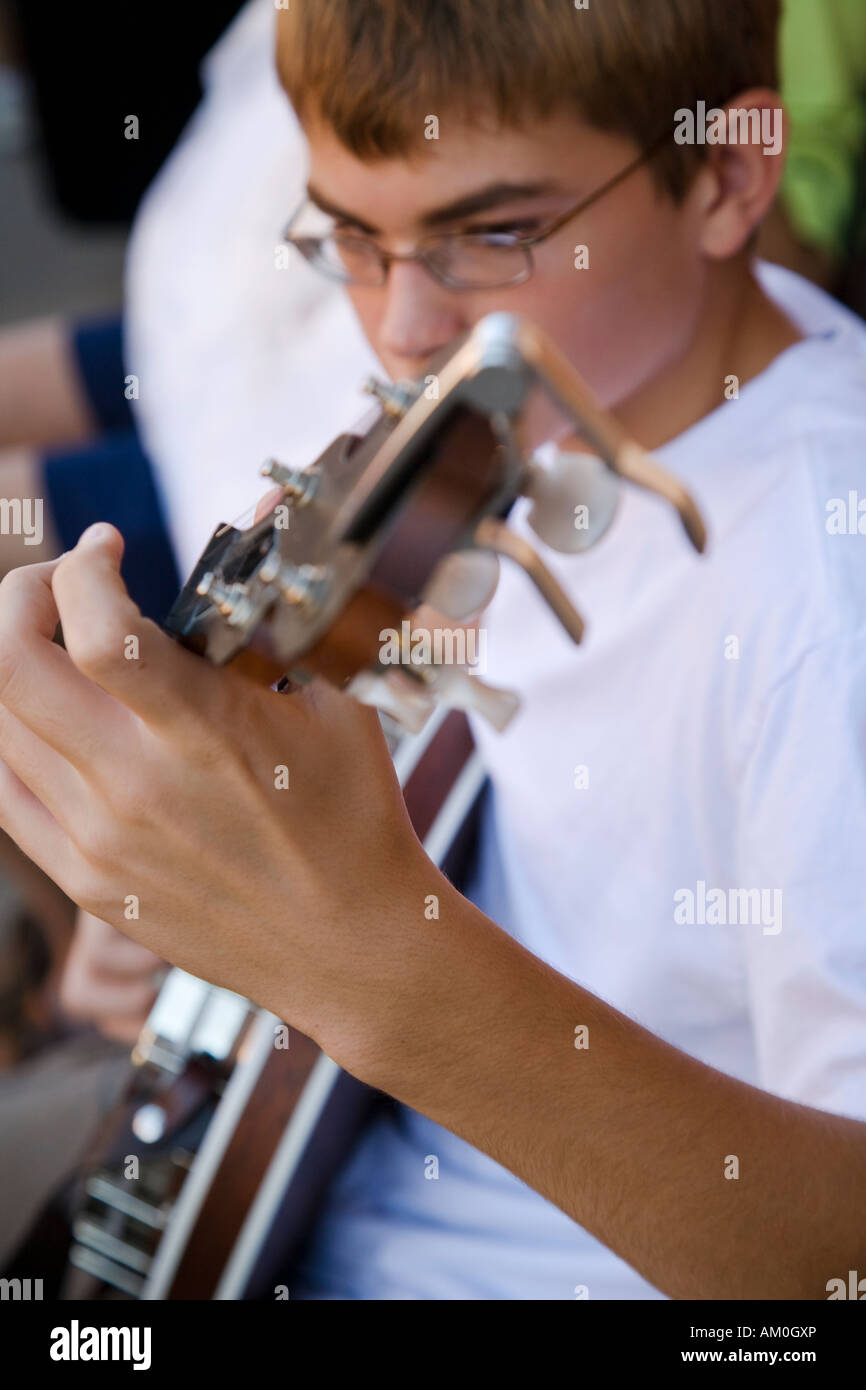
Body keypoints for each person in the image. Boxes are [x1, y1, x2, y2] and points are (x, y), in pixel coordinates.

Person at [1, 0, 866, 1301]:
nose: (400, 326)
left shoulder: (822, 580)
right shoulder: (532, 415)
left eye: (492, 234)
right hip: (293, 1182)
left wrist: (348, 955)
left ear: (730, 173)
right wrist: (185, 925)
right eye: (351, 238)